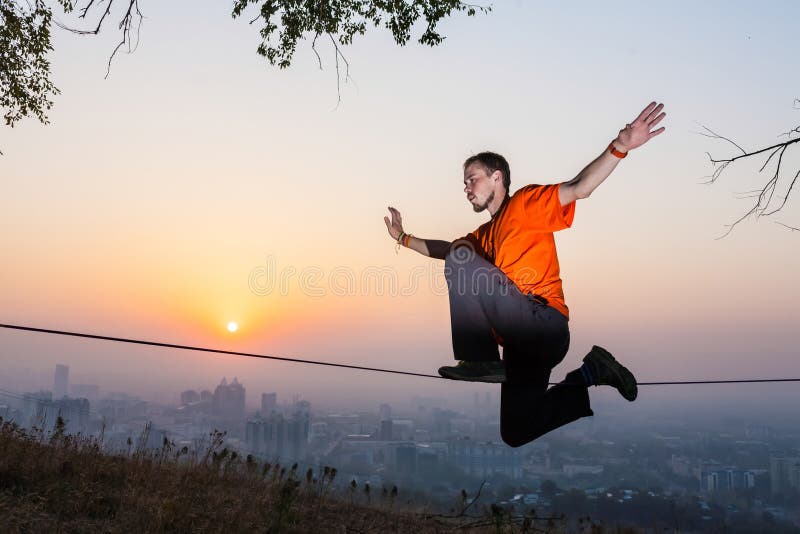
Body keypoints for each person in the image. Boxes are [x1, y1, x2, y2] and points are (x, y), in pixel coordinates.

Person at [383, 102, 666, 446]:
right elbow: (446, 251)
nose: (466, 188)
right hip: (520, 346)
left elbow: (580, 187)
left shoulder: (525, 204)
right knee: (516, 431)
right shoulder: (483, 237)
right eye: (464, 183)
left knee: (460, 258)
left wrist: (620, 145)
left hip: (543, 322)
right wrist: (402, 238)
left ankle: (479, 359)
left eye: (472, 179)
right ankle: (592, 371)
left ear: (497, 177)